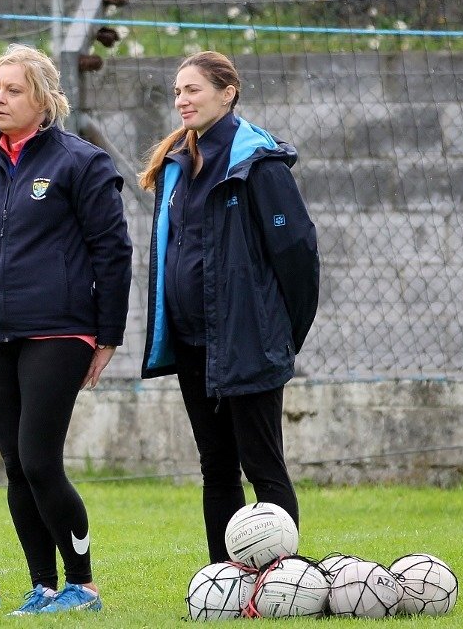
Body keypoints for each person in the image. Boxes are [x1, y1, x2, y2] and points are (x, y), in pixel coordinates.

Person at [0, 44, 132, 615]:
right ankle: (43, 587)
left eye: (12, 90)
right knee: (13, 464)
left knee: (38, 459)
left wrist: (108, 335)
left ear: (44, 98)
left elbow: (113, 251)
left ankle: (83, 585)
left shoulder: (81, 163)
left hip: (58, 331)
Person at [138, 51, 319, 563]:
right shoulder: (177, 162)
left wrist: (279, 332)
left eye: (193, 90)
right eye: (177, 91)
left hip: (247, 341)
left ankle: (286, 581)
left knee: (264, 467)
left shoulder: (257, 163)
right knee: (216, 468)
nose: (182, 100)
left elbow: (298, 254)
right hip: (194, 344)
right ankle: (225, 578)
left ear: (228, 92)